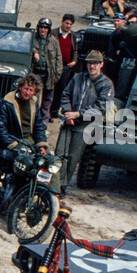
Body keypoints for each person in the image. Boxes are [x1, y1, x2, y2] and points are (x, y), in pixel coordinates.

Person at [55, 49, 114, 196]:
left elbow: (101, 108)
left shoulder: (106, 84)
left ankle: (62, 187)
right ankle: (53, 185)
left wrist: (78, 114)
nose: (91, 66)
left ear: (101, 64)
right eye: (89, 63)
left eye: (95, 63)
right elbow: (65, 94)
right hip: (68, 121)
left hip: (85, 126)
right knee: (59, 154)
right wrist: (68, 113)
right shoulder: (77, 78)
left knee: (73, 158)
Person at [0, 73, 48, 156]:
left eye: (31, 90)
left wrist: (41, 145)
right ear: (20, 87)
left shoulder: (34, 103)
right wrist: (14, 145)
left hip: (29, 142)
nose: (27, 92)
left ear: (34, 92)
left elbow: (39, 126)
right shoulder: (7, 103)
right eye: (26, 89)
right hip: (12, 142)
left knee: (47, 161)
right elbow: (0, 129)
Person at [30, 17, 63, 124]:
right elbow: (25, 46)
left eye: (45, 28)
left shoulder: (54, 41)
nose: (42, 30)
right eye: (41, 27)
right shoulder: (32, 38)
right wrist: (34, 51)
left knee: (47, 100)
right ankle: (32, 121)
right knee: (34, 98)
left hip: (49, 75)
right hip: (35, 74)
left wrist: (57, 75)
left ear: (48, 29)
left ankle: (43, 124)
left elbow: (59, 59)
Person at [52, 14, 78, 111]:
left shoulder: (73, 36)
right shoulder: (53, 33)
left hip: (66, 67)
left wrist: (74, 61)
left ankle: (55, 111)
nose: (68, 26)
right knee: (52, 89)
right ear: (62, 22)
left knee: (61, 90)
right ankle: (47, 111)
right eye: (67, 23)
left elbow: (75, 50)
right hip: (54, 67)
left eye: (70, 24)